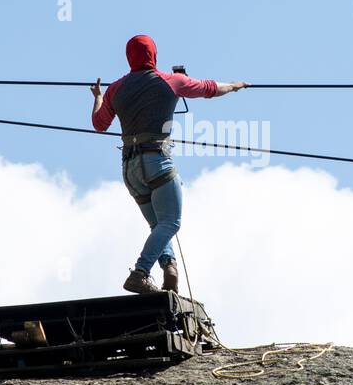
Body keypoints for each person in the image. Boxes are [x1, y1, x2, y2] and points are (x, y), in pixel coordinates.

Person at [91, 35, 247, 294]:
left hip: (130, 169)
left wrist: (97, 97)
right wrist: (234, 85)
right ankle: (140, 273)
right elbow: (209, 88)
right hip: (157, 162)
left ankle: (170, 268)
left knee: (158, 226)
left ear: (129, 57)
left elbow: (99, 124)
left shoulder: (116, 89)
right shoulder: (170, 80)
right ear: (154, 55)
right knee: (171, 223)